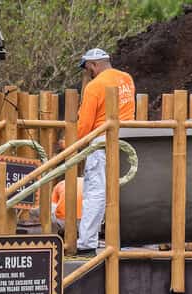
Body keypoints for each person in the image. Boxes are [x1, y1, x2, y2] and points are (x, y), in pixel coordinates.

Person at [75, 48, 135, 256]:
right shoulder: (127, 79)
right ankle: (121, 240)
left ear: (93, 65)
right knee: (121, 191)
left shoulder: (95, 86)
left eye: (88, 69)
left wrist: (75, 144)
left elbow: (84, 124)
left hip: (102, 142)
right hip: (127, 140)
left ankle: (86, 244)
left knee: (96, 192)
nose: (88, 73)